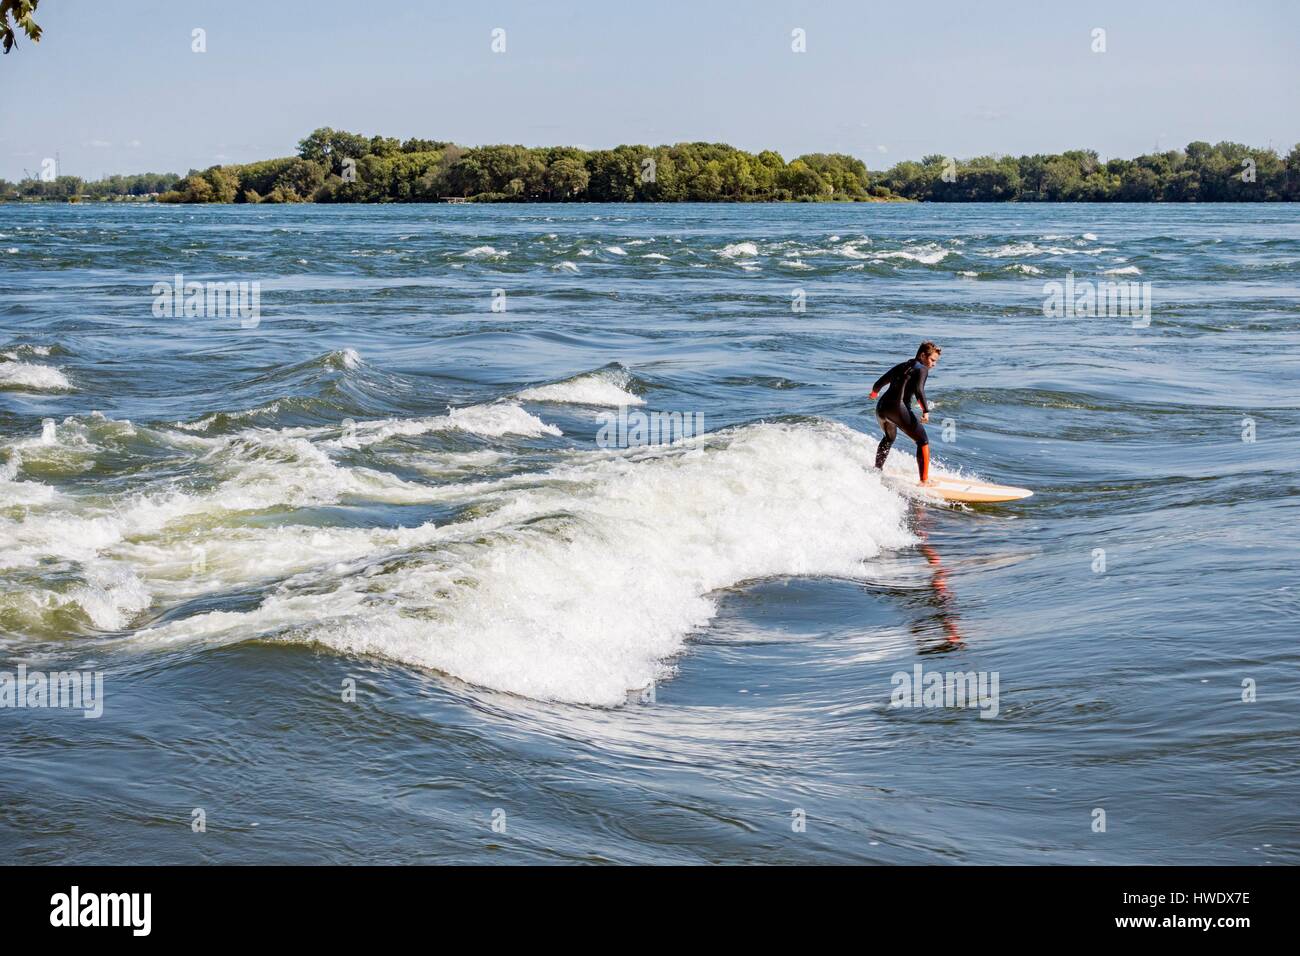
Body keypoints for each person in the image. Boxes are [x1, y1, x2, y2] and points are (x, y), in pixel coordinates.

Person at [870, 341, 941, 484]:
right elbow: (919, 390)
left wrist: (873, 393)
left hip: (882, 408)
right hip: (897, 409)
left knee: (889, 438)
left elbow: (879, 383)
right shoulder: (922, 369)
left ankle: (876, 470)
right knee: (922, 441)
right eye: (932, 360)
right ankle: (924, 481)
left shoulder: (902, 366)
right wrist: (925, 411)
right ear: (922, 355)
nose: (933, 364)